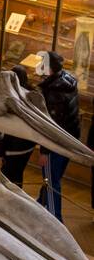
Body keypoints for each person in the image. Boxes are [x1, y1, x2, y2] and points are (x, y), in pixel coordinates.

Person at [36, 51, 82, 222]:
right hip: (69, 141)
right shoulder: (67, 82)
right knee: (51, 178)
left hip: (55, 144)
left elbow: (52, 126)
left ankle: (56, 219)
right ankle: (40, 205)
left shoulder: (53, 91)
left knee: (51, 181)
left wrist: (44, 151)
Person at [0, 66, 36, 186]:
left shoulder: (13, 98)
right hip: (27, 145)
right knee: (17, 175)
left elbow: (5, 126)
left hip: (13, 146)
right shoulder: (31, 95)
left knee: (9, 178)